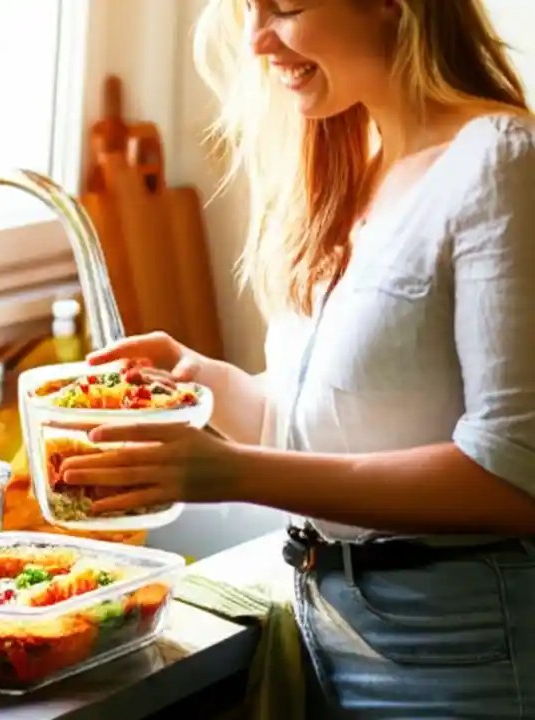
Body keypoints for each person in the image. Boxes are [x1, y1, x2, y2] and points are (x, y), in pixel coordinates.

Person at [58, 1, 535, 717]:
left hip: (461, 654)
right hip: (331, 631)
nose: (257, 41)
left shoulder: (499, 161)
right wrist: (205, 383)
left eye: (284, 8)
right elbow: (334, 429)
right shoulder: (364, 163)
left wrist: (235, 473)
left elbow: (514, 476)